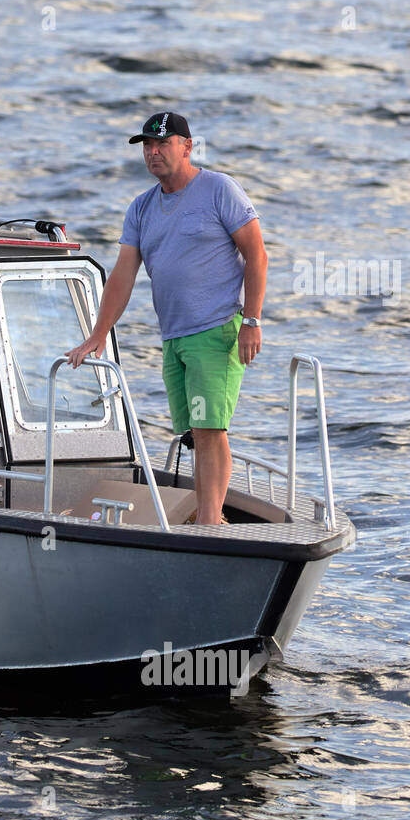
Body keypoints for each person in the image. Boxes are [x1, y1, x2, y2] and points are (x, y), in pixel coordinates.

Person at [66, 111, 267, 526]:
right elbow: (123, 274)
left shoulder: (219, 189)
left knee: (211, 429)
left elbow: (257, 254)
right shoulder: (141, 208)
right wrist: (98, 334)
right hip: (173, 337)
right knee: (195, 432)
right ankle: (209, 517)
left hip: (216, 331)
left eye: (163, 143)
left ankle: (210, 522)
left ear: (187, 147)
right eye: (147, 145)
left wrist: (251, 321)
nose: (154, 152)